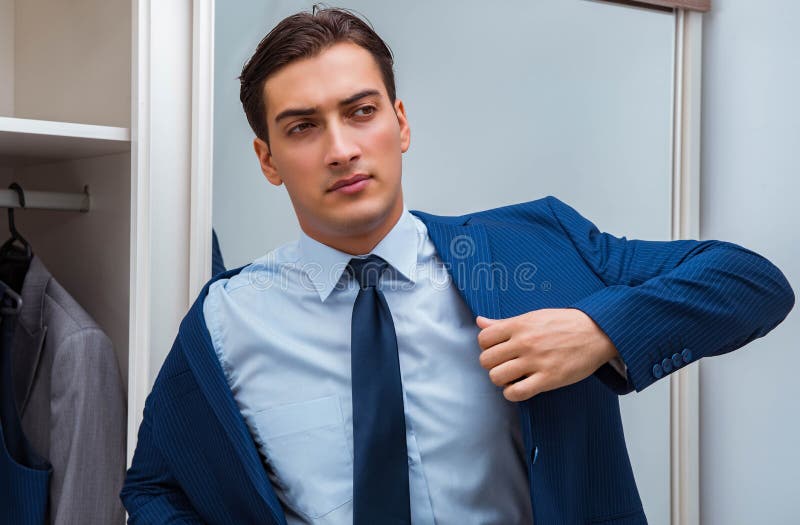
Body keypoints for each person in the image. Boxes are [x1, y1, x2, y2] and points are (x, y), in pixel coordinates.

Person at [120, 7, 795, 525]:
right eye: (302, 127)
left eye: (361, 112)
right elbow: (153, 486)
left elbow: (751, 280)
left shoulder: (536, 246)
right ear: (267, 158)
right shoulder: (225, 317)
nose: (342, 148)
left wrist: (600, 332)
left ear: (401, 123)